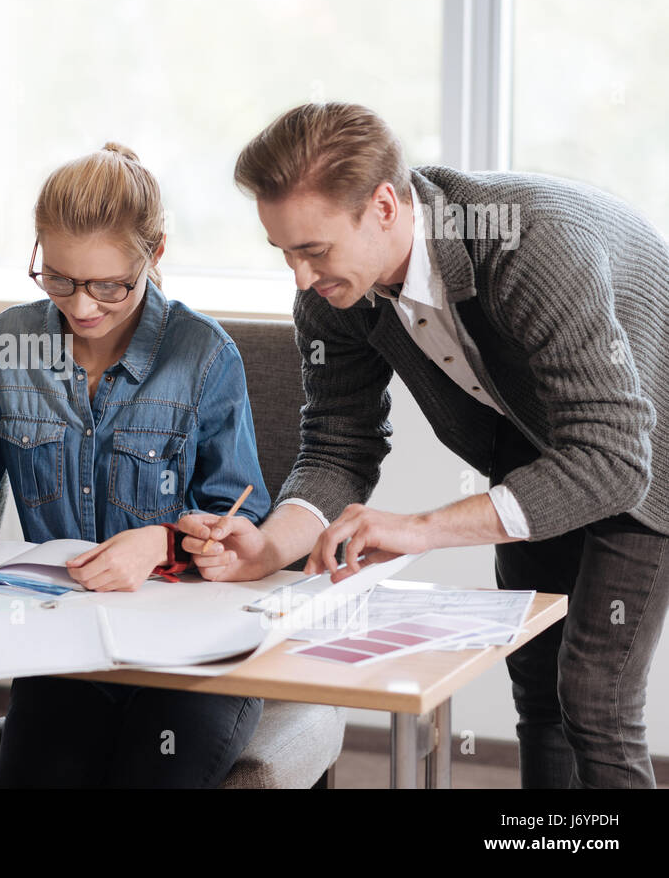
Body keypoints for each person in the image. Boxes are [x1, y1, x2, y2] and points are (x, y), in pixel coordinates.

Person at [181, 101, 669, 788]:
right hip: (548, 439)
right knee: (534, 674)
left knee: (594, 694)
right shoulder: (331, 296)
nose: (298, 275)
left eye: (314, 249)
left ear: (384, 205)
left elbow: (617, 459)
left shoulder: (529, 245)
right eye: (284, 251)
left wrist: (421, 528)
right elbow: (337, 445)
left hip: (647, 444)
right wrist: (268, 545)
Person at [0, 144, 270, 787]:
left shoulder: (204, 354)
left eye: (109, 285)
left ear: (153, 256)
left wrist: (162, 544)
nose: (82, 307)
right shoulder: (9, 343)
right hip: (66, 649)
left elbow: (243, 518)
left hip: (193, 659)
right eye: (59, 279)